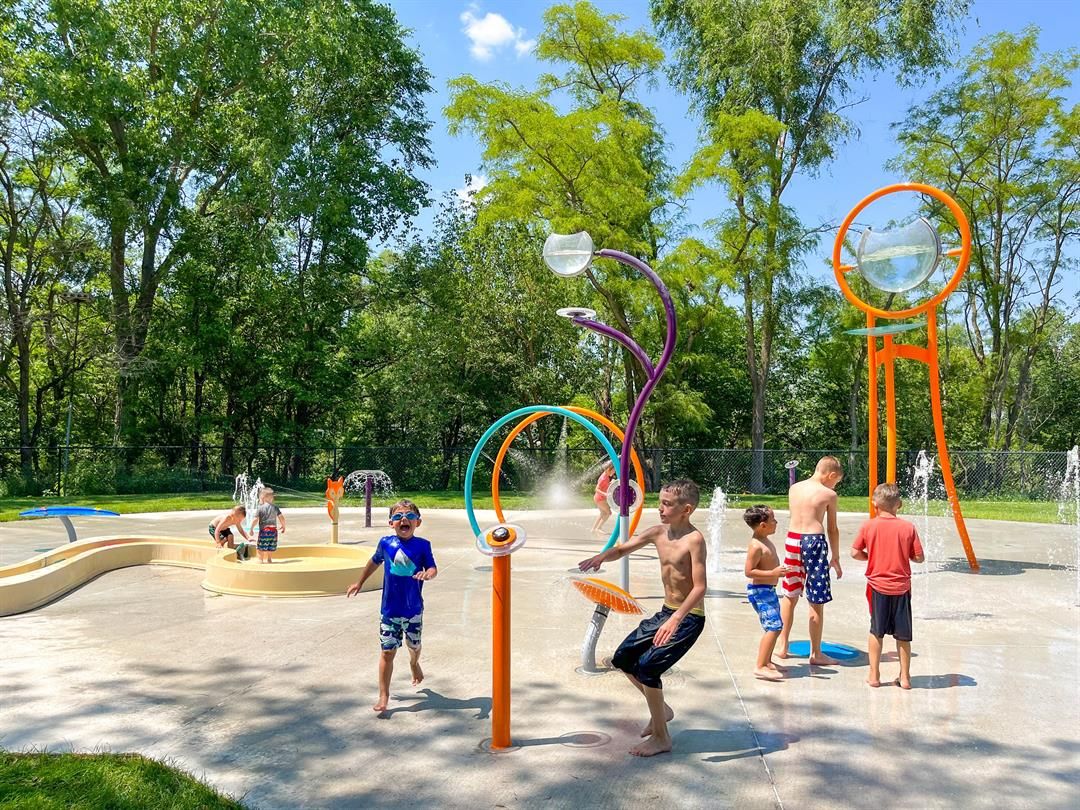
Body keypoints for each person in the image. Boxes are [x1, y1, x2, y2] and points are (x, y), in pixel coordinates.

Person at [579, 479, 707, 758]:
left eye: (667, 504)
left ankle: (662, 738)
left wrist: (675, 621)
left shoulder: (694, 540)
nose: (660, 508)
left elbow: (699, 587)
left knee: (649, 668)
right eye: (660, 502)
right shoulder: (657, 533)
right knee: (623, 658)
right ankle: (663, 711)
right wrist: (602, 556)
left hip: (688, 616)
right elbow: (623, 549)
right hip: (666, 613)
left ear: (686, 509)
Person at [346, 499, 437, 714]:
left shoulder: (423, 545)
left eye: (409, 516)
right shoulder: (386, 543)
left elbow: (432, 567)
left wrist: (428, 574)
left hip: (413, 610)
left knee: (414, 646)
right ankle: (384, 695)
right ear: (391, 523)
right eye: (398, 517)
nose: (403, 519)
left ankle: (414, 663)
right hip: (389, 611)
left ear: (418, 522)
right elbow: (373, 562)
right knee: (387, 651)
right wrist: (360, 582)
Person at [851, 482, 925, 689]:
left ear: (875, 504)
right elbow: (919, 557)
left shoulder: (869, 526)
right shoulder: (908, 528)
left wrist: (871, 556)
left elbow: (855, 552)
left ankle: (874, 675)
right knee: (903, 635)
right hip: (901, 588)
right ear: (898, 505)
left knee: (876, 630)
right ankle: (905, 678)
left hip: (877, 587)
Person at [778, 456, 844, 665]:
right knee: (816, 598)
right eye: (836, 481)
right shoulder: (829, 494)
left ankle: (782, 646)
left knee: (790, 594)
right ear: (831, 475)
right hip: (813, 542)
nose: (835, 485)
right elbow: (833, 529)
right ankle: (816, 653)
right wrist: (836, 556)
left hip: (792, 539)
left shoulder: (794, 488)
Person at [743, 505, 792, 682]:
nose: (776, 522)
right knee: (774, 627)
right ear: (763, 525)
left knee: (774, 627)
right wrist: (773, 573)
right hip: (760, 592)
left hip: (768, 591)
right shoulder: (756, 546)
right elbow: (749, 572)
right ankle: (760, 666)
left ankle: (767, 661)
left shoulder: (764, 540)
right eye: (773, 520)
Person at [255, 488, 286, 564]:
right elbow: (281, 517)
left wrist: (251, 528)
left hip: (264, 531)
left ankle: (260, 560)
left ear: (262, 498)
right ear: (272, 498)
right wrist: (283, 526)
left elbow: (255, 519)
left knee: (260, 547)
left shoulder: (260, 508)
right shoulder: (275, 507)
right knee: (271, 546)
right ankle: (269, 559)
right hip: (273, 531)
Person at [591, 461, 616, 533]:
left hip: (599, 498)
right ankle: (598, 528)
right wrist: (605, 494)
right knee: (608, 513)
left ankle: (593, 529)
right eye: (613, 471)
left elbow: (605, 486)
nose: (613, 473)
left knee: (602, 514)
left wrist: (610, 483)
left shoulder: (605, 476)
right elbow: (596, 489)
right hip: (600, 498)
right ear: (608, 470)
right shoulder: (603, 478)